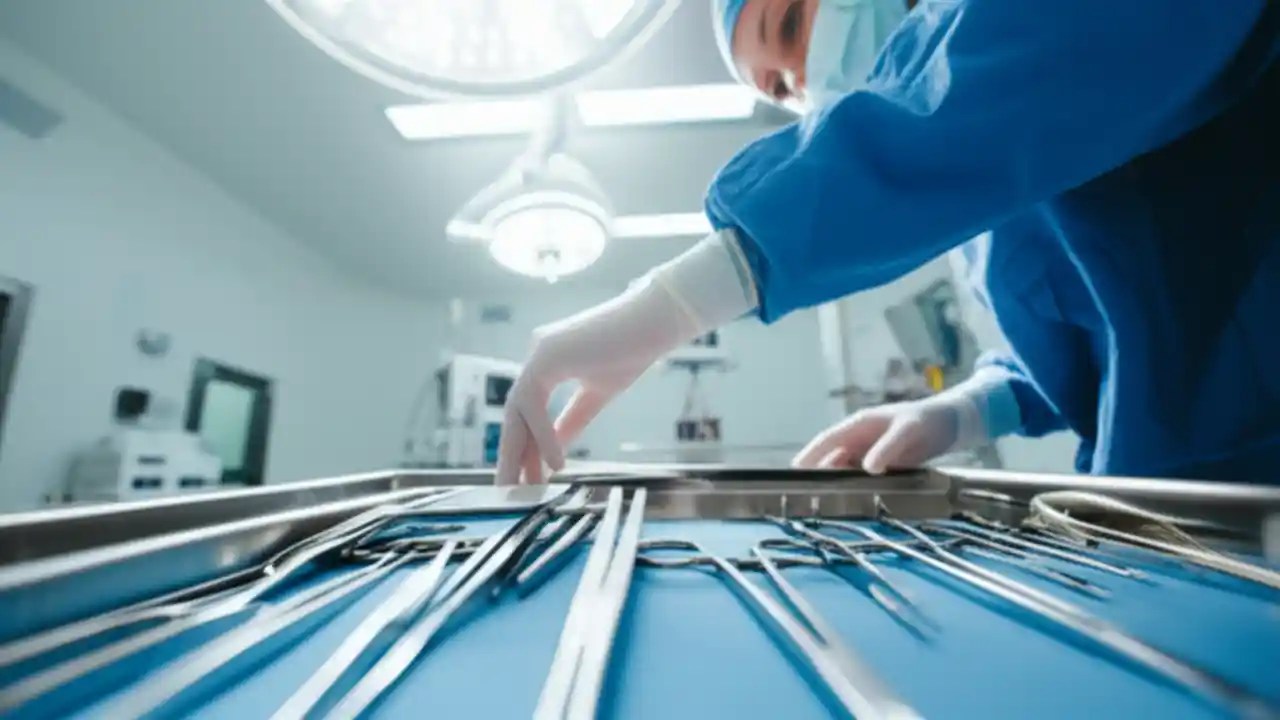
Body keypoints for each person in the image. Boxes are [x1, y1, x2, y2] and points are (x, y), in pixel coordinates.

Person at [496, 0, 1280, 486]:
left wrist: (676, 301)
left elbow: (977, 81)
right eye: (780, 89)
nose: (805, 82)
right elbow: (1113, 326)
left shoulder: (996, 73)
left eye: (791, 25)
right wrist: (970, 409)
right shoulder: (985, 183)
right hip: (1191, 507)